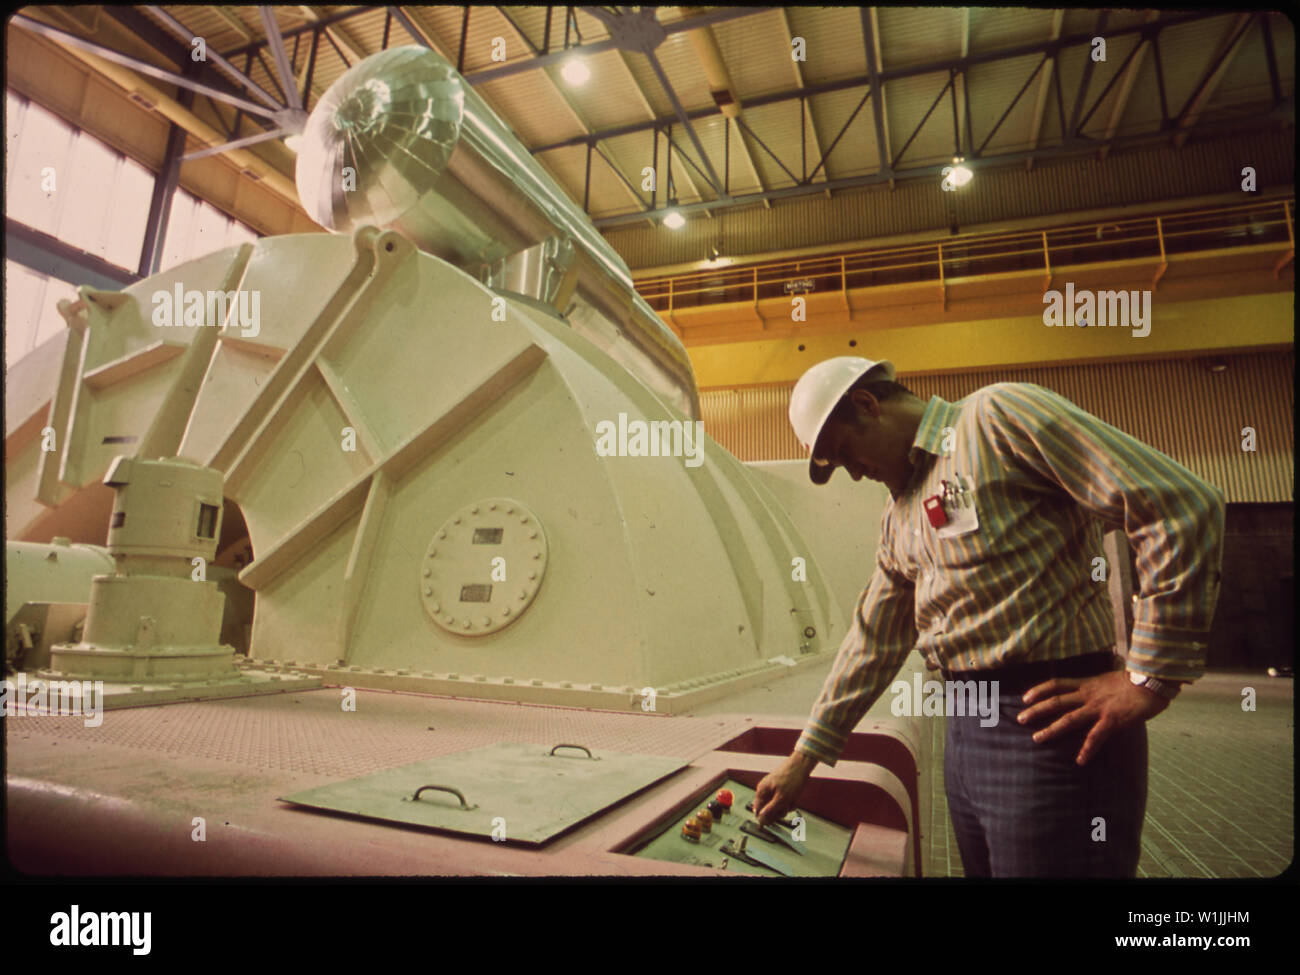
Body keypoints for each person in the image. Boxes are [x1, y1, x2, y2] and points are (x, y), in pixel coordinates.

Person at [753, 356, 1224, 877]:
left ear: (867, 405)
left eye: (846, 454)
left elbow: (1179, 504)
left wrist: (1150, 678)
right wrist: (805, 758)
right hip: (965, 732)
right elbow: (873, 641)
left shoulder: (998, 420)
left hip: (1048, 723)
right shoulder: (900, 515)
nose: (857, 474)